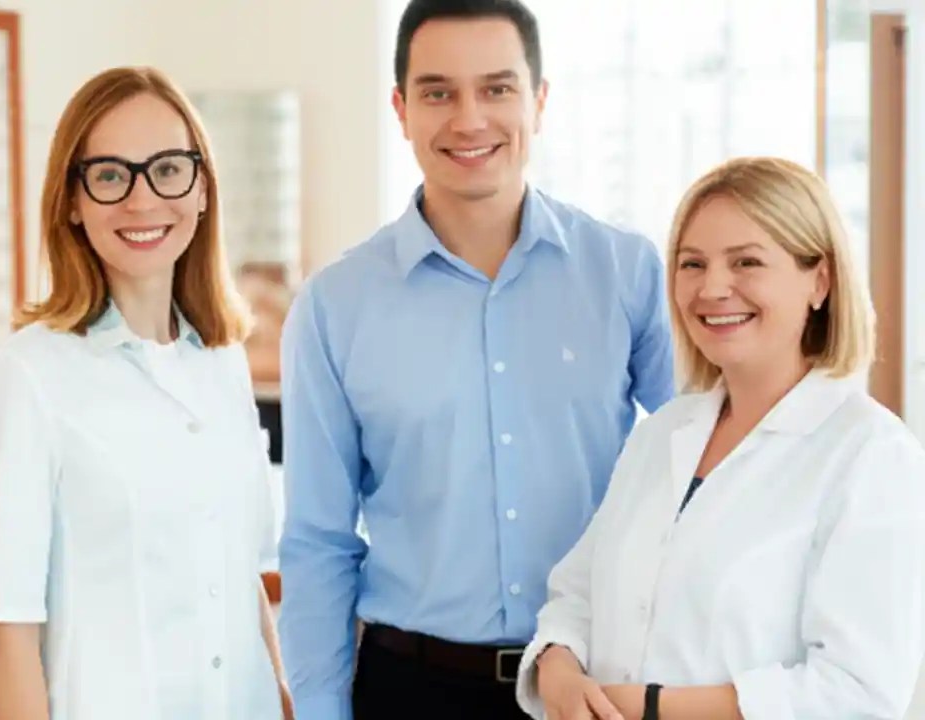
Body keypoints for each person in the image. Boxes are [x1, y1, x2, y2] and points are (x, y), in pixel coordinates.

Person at [277, 0, 675, 718]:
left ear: (539, 100)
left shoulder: (628, 273)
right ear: (400, 109)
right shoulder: (336, 305)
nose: (469, 119)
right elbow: (317, 543)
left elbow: (706, 471)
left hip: (590, 685)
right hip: (411, 688)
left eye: (496, 88)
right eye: (438, 92)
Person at [518, 156, 925, 720]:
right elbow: (577, 594)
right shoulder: (661, 435)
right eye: (692, 264)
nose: (712, 288)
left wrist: (656, 708)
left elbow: (858, 692)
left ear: (820, 281)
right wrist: (558, 666)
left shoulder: (872, 455)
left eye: (747, 262)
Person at [0, 66, 290, 720]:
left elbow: (244, 581)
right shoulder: (30, 374)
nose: (143, 201)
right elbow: (9, 629)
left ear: (202, 189)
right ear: (72, 200)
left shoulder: (225, 361)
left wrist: (284, 697)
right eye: (111, 175)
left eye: (168, 169)